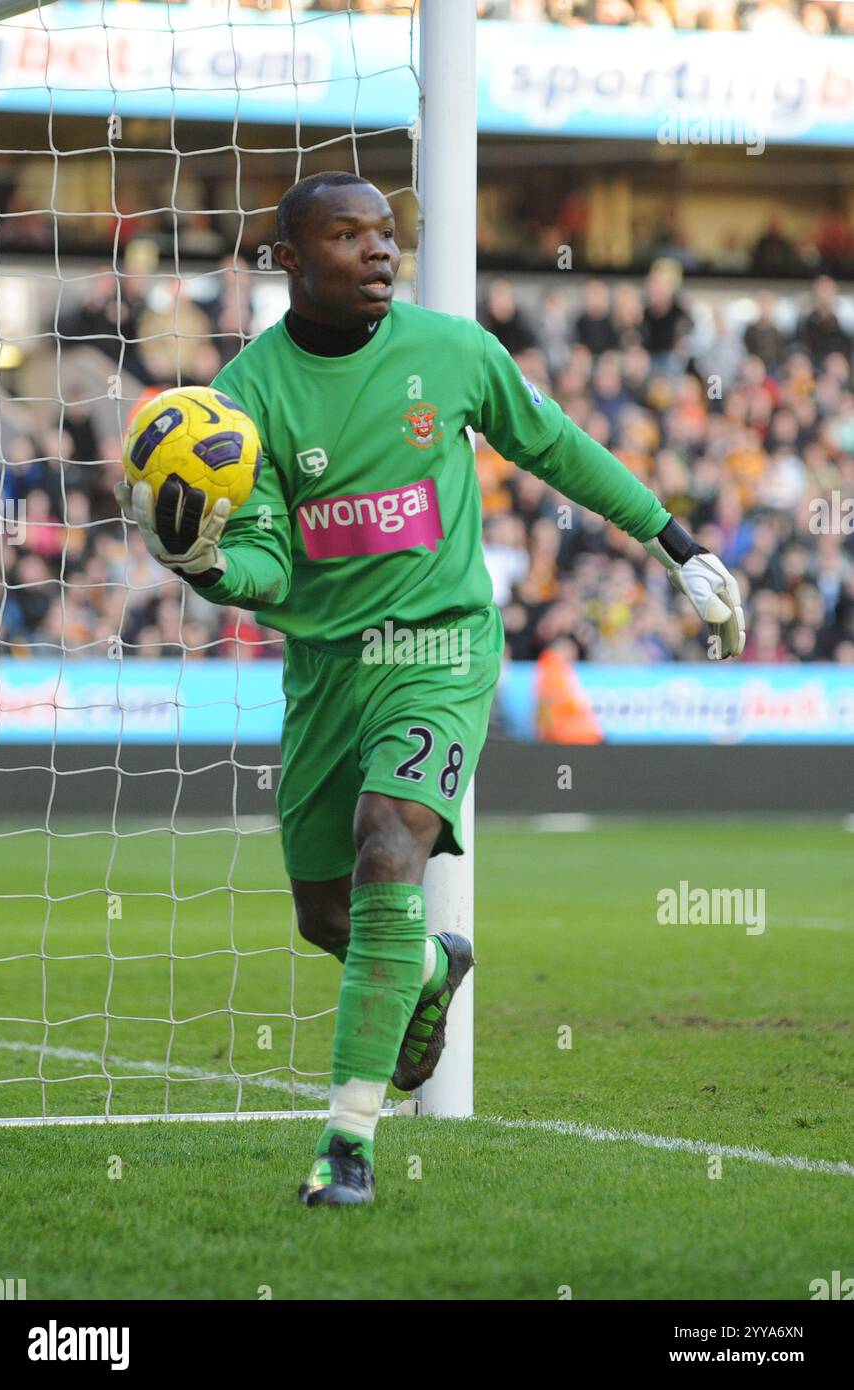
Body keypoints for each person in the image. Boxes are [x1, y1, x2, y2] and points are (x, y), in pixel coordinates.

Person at [115, 172, 745, 1207]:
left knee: (387, 839)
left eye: (386, 232)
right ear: (287, 260)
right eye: (348, 235)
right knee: (330, 917)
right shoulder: (247, 402)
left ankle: (347, 1144)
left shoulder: (453, 352)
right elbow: (268, 571)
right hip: (327, 673)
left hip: (441, 649)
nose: (379, 251)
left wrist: (674, 544)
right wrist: (211, 568)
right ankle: (423, 969)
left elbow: (559, 449)